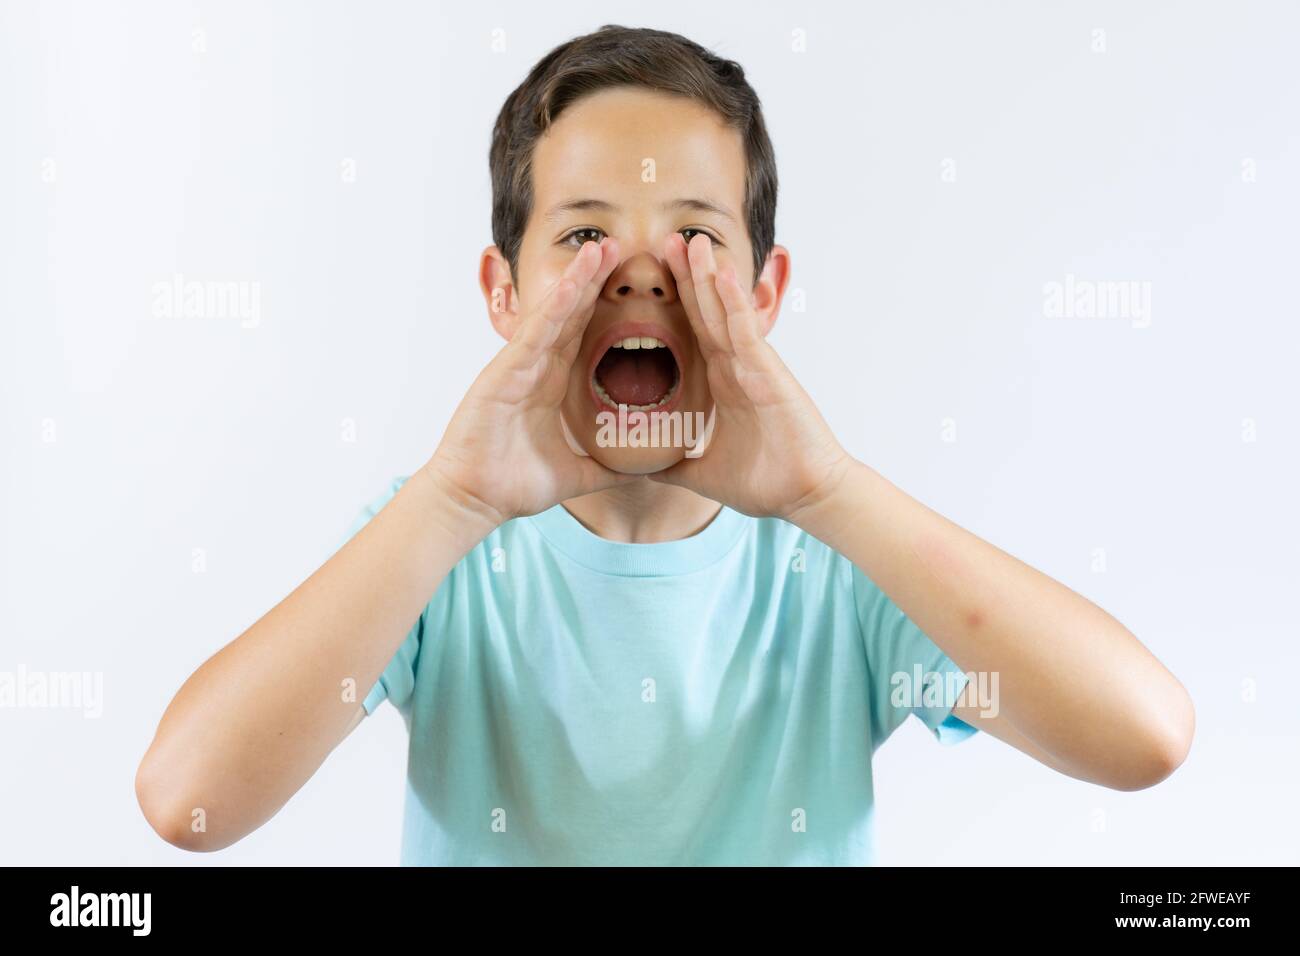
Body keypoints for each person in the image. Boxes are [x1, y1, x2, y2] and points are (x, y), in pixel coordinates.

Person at [136, 24, 1194, 865]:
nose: (640, 270)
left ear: (764, 292)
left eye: (693, 234)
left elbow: (1145, 734)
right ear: (504, 293)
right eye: (584, 234)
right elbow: (187, 800)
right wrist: (453, 500)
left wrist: (828, 493)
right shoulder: (437, 543)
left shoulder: (837, 563)